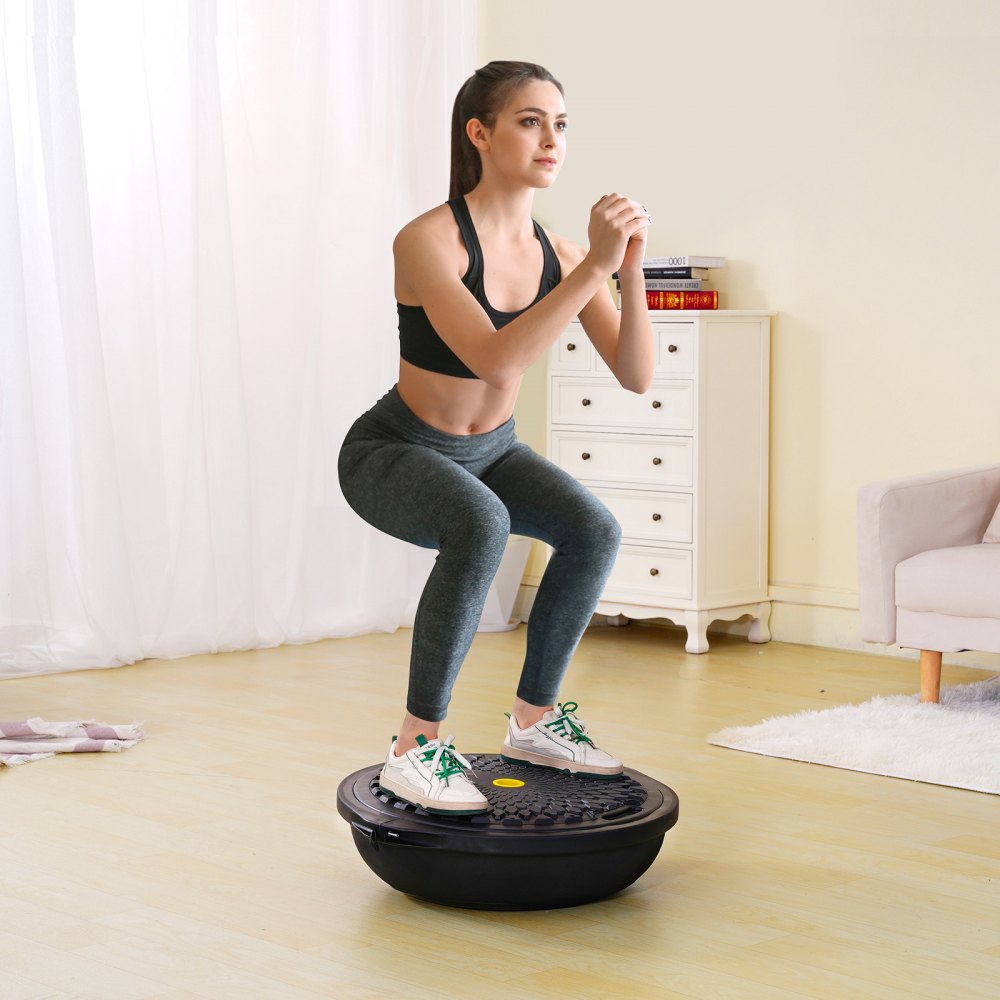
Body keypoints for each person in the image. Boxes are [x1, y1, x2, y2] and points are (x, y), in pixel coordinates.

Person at [338, 60, 653, 816]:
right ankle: (414, 748)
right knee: (480, 523)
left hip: (493, 450)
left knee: (593, 530)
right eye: (530, 121)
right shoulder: (428, 241)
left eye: (561, 124)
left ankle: (534, 723)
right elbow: (497, 358)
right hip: (396, 451)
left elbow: (636, 373)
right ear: (479, 133)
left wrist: (629, 269)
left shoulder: (564, 256)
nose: (552, 140)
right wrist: (595, 267)